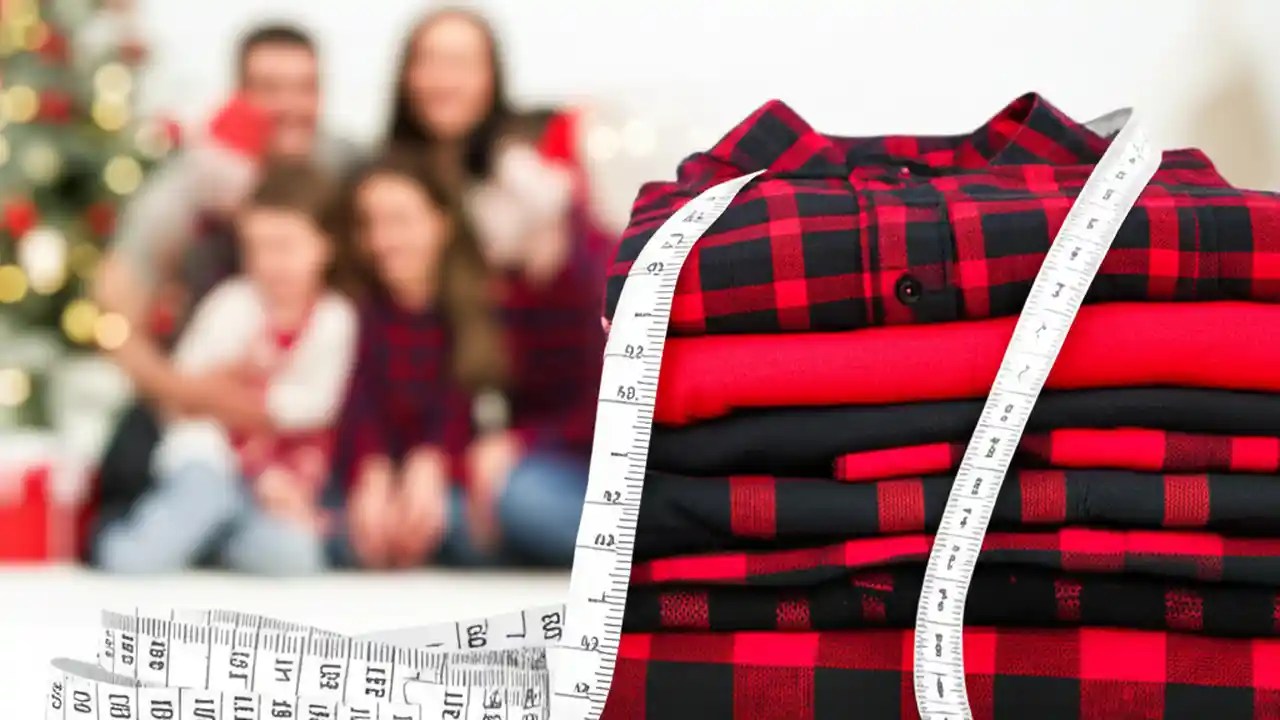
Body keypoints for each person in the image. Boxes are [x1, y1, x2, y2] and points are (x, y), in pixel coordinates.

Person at [87, 23, 361, 558]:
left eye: (304, 87)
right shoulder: (192, 183)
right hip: (193, 397)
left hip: (311, 408)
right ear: (238, 94)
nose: (288, 105)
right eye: (269, 87)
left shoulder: (346, 168)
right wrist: (190, 392)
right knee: (141, 462)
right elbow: (114, 309)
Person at [382, 8, 610, 566]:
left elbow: (602, 400)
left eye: (460, 62)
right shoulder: (399, 187)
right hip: (477, 445)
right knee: (444, 517)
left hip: (569, 461)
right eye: (428, 61)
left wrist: (511, 449)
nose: (441, 78)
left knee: (518, 500)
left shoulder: (571, 249)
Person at [95, 162, 356, 574]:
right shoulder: (233, 303)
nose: (270, 263)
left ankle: (216, 537)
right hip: (208, 459)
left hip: (280, 476)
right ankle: (122, 541)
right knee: (147, 550)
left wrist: (225, 390)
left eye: (284, 246)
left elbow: (310, 408)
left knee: (295, 558)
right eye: (256, 248)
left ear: (326, 245)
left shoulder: (334, 319)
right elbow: (185, 391)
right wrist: (227, 390)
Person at [327, 154, 506, 569]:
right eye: (370, 224)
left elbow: (473, 408)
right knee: (338, 533)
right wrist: (370, 476)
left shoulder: (483, 307)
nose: (382, 239)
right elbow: (357, 407)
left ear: (441, 223)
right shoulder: (354, 310)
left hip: (450, 483)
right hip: (371, 482)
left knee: (473, 526)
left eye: (400, 221)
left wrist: (434, 464)